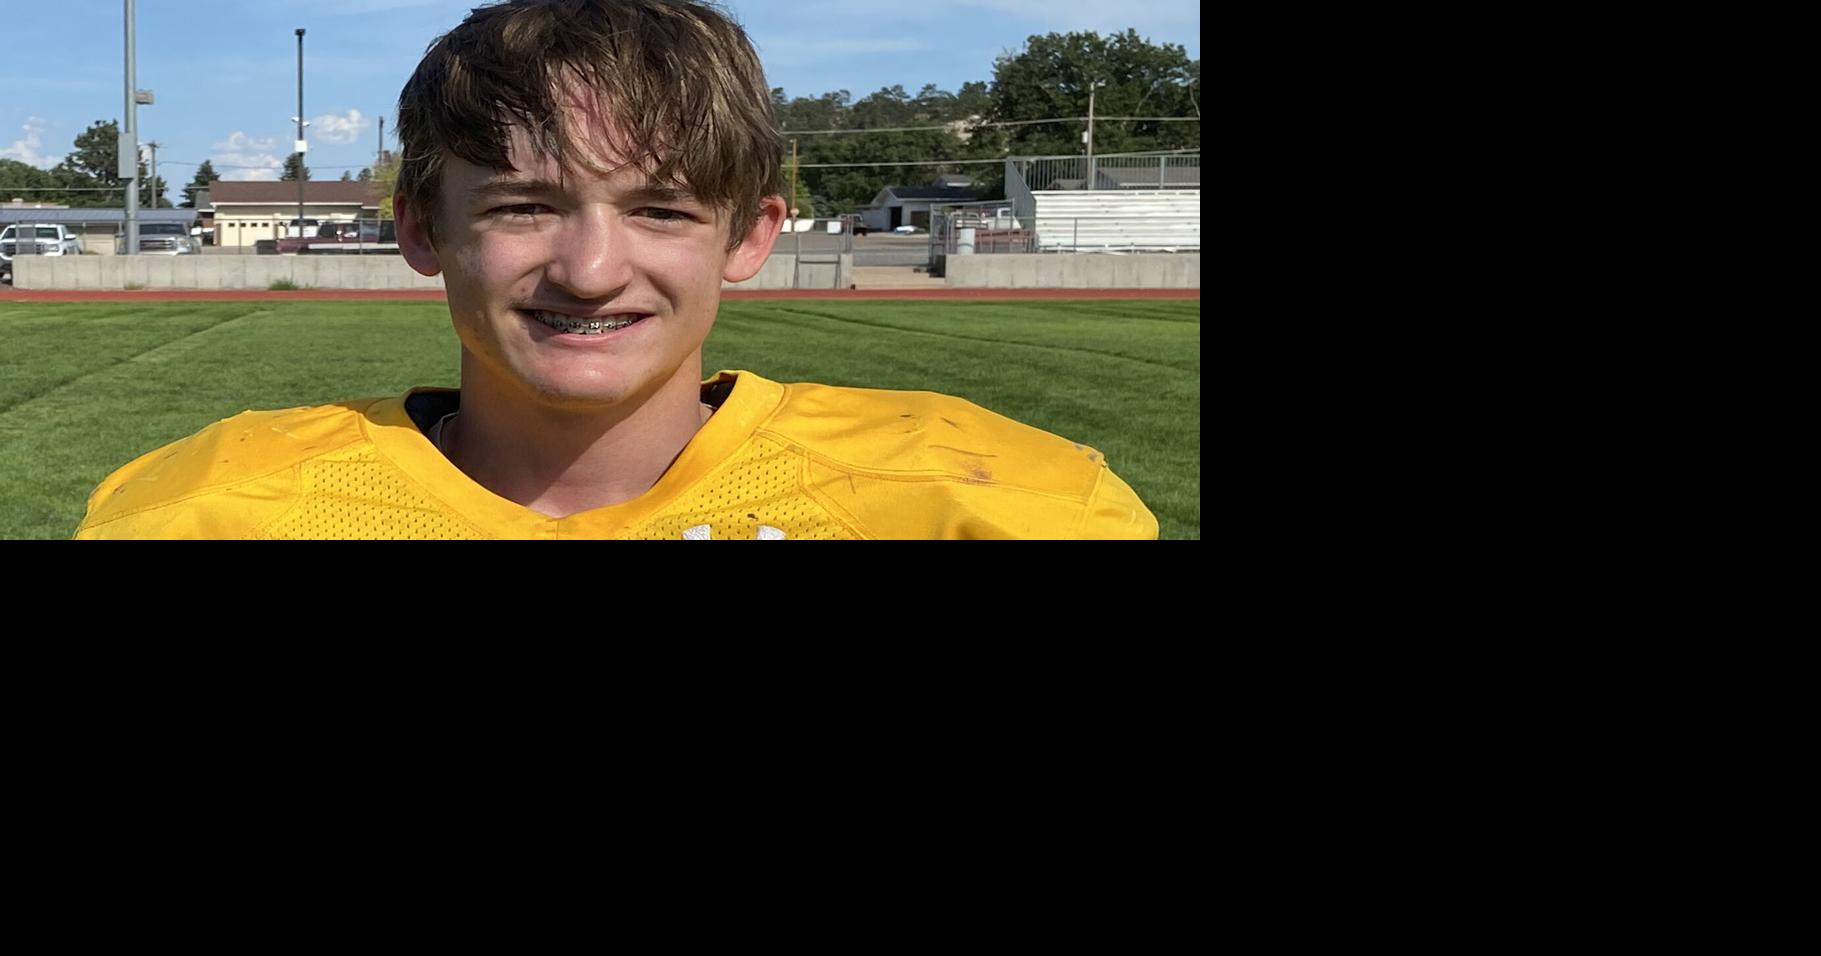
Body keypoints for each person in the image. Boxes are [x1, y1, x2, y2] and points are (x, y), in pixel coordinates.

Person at [74, 0, 1156, 540]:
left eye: (659, 210)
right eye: (523, 206)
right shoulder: (221, 510)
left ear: (749, 236)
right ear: (421, 229)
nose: (591, 271)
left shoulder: (986, 503)